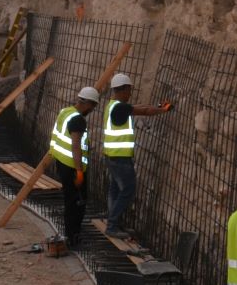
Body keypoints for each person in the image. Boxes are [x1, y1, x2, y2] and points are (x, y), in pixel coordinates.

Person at [101, 74, 171, 239]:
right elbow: (144, 111)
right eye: (129, 90)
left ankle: (113, 221)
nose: (130, 93)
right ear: (124, 89)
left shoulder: (112, 105)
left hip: (111, 156)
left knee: (115, 190)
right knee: (128, 190)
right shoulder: (120, 108)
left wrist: (157, 105)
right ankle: (112, 225)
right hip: (120, 158)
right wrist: (163, 110)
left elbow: (137, 107)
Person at [48, 87, 101, 247]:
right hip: (72, 166)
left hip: (61, 162)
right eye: (93, 106)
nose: (92, 110)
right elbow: (76, 145)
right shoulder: (78, 120)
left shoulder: (66, 111)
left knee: (70, 200)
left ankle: (70, 235)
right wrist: (79, 172)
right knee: (77, 203)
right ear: (88, 103)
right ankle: (73, 238)